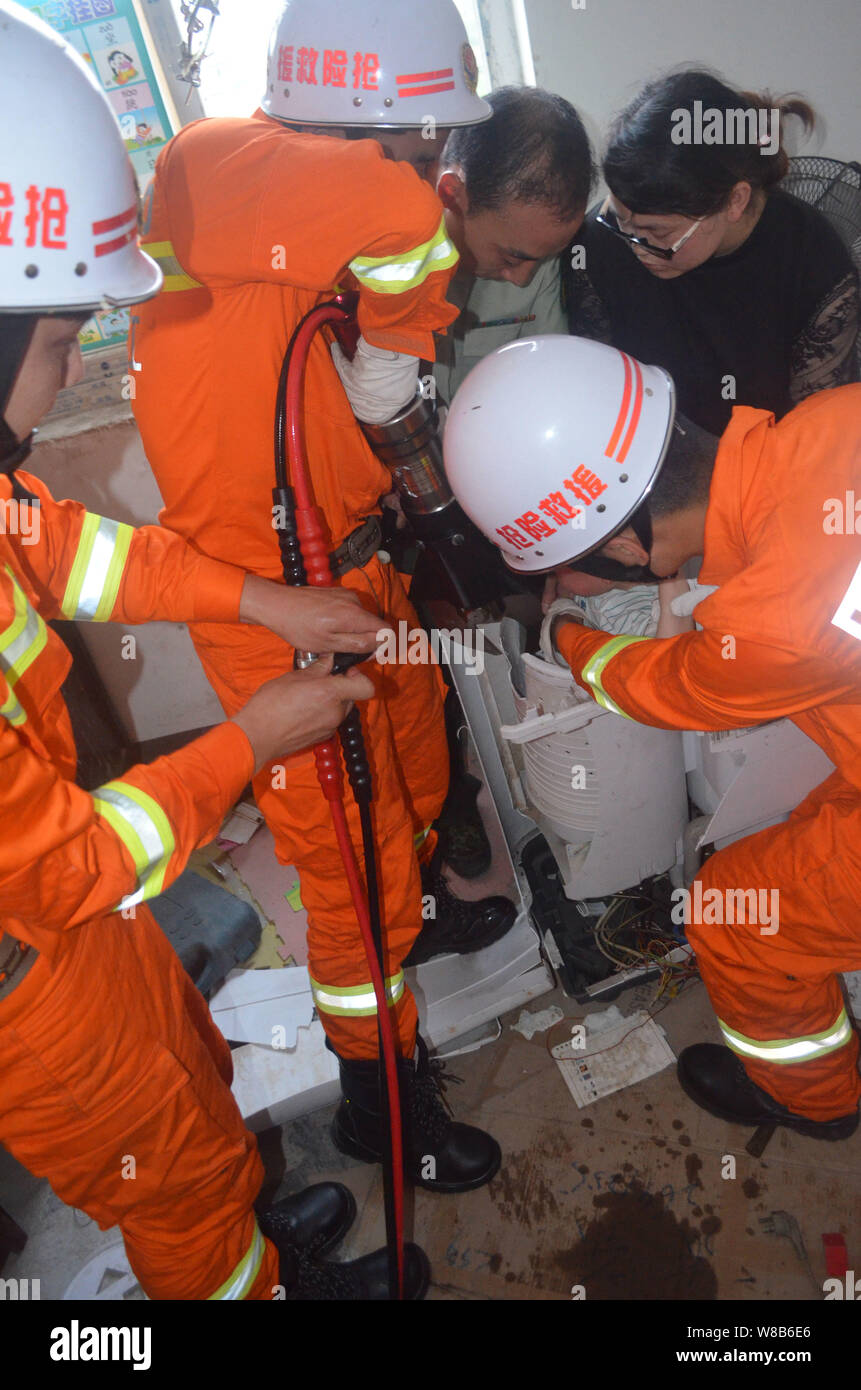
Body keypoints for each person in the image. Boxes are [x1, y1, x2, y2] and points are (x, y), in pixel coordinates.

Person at [0, 1, 435, 1302]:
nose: (64, 371)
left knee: (188, 1094)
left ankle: (243, 1232)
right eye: (64, 341)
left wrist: (261, 603)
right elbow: (78, 862)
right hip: (32, 972)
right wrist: (253, 739)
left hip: (70, 936)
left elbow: (91, 555)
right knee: (174, 1187)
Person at [131, 0, 507, 1194]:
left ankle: (414, 934)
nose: (433, 172)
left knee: (413, 770)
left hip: (352, 566)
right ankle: (379, 1100)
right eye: (425, 140)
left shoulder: (305, 211)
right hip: (269, 602)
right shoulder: (213, 165)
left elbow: (388, 240)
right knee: (349, 864)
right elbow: (404, 223)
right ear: (366, 118)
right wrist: (401, 333)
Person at [444, 333, 861, 1139]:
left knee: (732, 916)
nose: (559, 583)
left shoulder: (772, 622)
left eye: (567, 566)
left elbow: (665, 689)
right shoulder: (832, 419)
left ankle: (818, 1102)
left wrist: (567, 633)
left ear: (632, 547)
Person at [564, 69, 860, 436]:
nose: (635, 246)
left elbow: (818, 430)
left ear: (735, 201)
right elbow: (592, 391)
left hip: (766, 463)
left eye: (657, 232)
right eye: (620, 220)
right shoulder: (599, 244)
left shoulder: (810, 261)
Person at [431, 85, 594, 402]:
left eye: (546, 258)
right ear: (451, 194)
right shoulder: (388, 262)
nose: (523, 279)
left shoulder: (537, 257)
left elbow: (547, 380)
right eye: (510, 258)